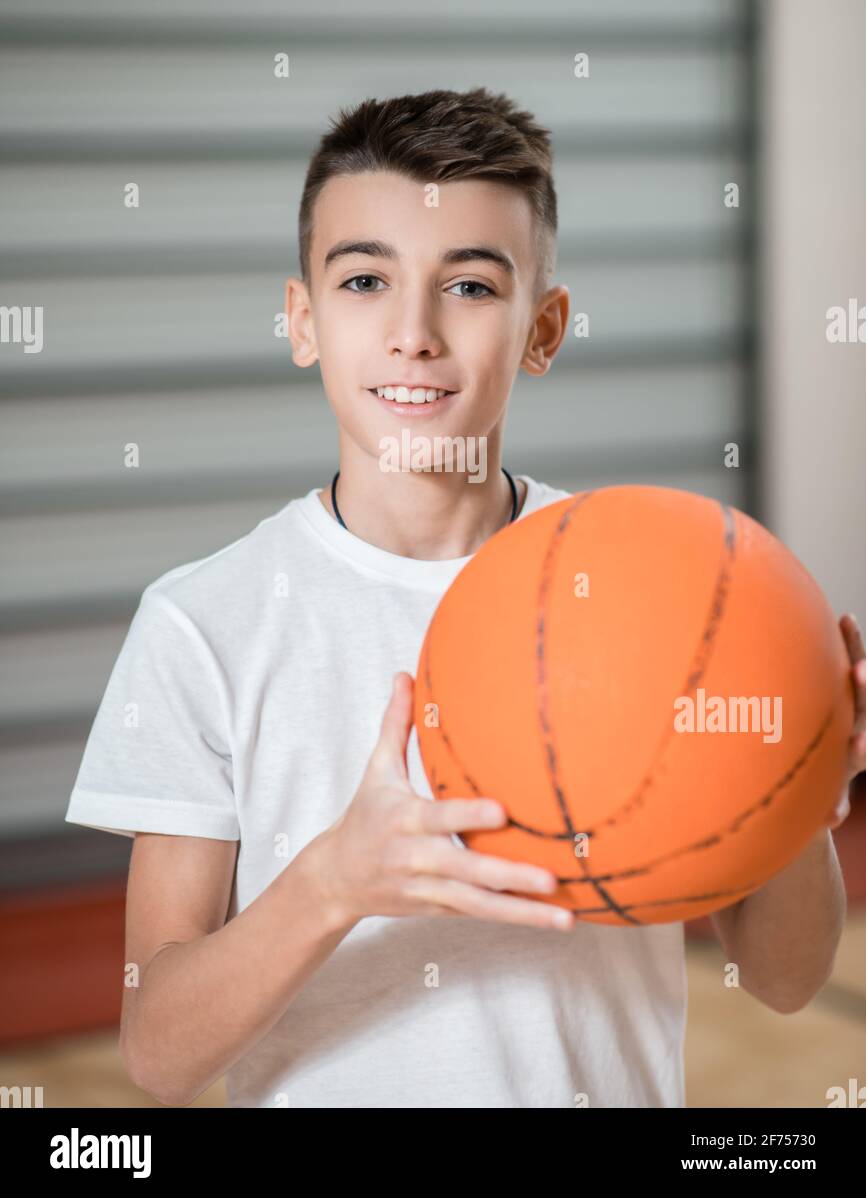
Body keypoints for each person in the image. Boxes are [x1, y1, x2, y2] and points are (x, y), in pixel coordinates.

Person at [65, 86, 865, 1109]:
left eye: (471, 287)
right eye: (363, 280)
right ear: (301, 320)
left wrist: (795, 788)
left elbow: (783, 981)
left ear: (543, 328)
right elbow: (159, 1053)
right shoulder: (203, 624)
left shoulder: (666, 592)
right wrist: (333, 882)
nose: (412, 333)